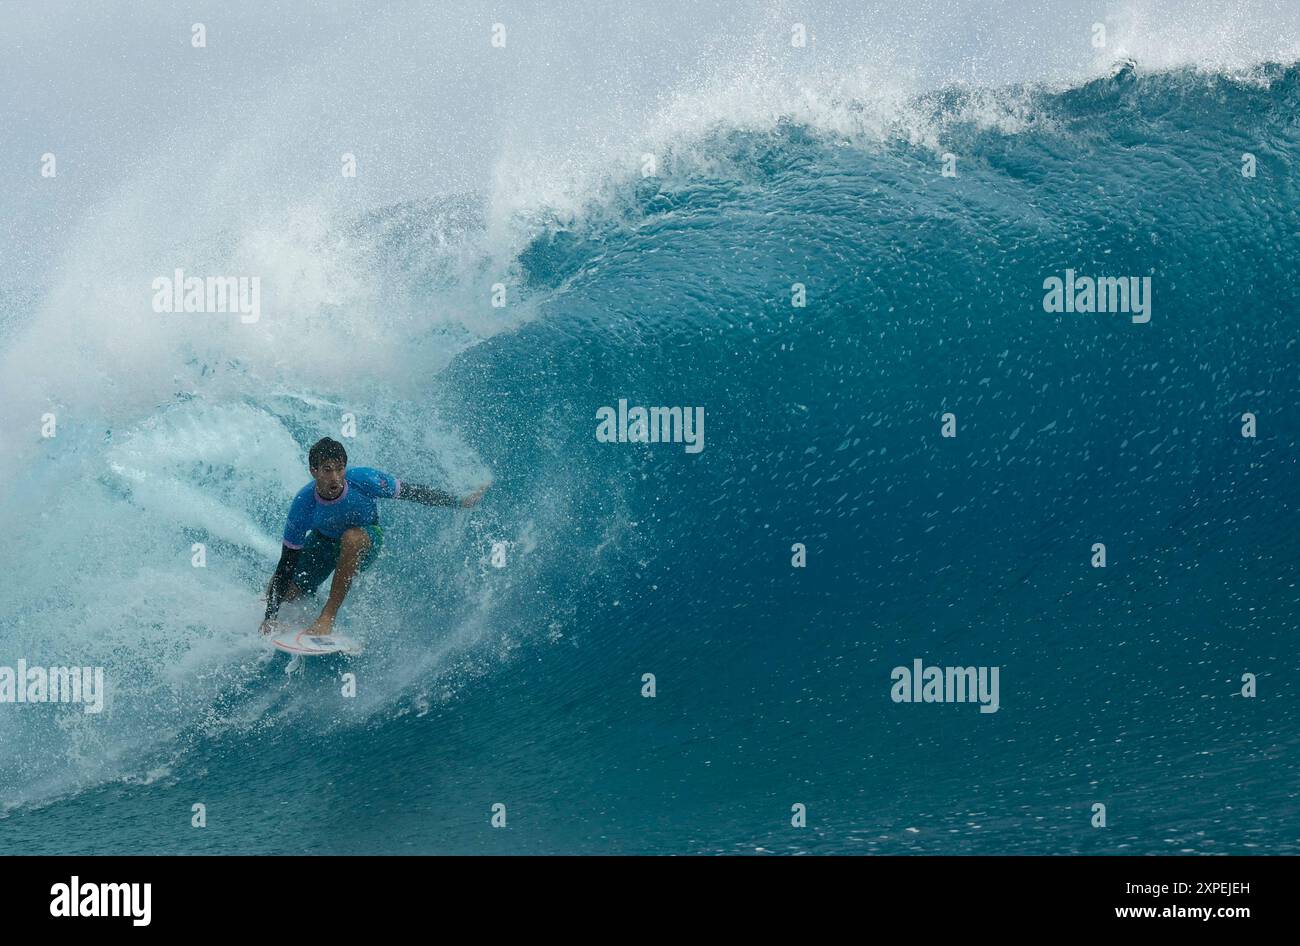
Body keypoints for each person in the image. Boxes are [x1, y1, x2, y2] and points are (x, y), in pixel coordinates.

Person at [260, 437, 489, 637]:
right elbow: (287, 561)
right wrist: (270, 616)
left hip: (365, 540)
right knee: (281, 592)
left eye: (340, 469)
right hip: (323, 542)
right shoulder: (303, 505)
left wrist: (459, 502)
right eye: (327, 470)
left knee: (351, 538)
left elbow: (412, 492)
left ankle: (327, 616)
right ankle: (292, 597)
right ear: (314, 471)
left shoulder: (364, 480)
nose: (335, 478)